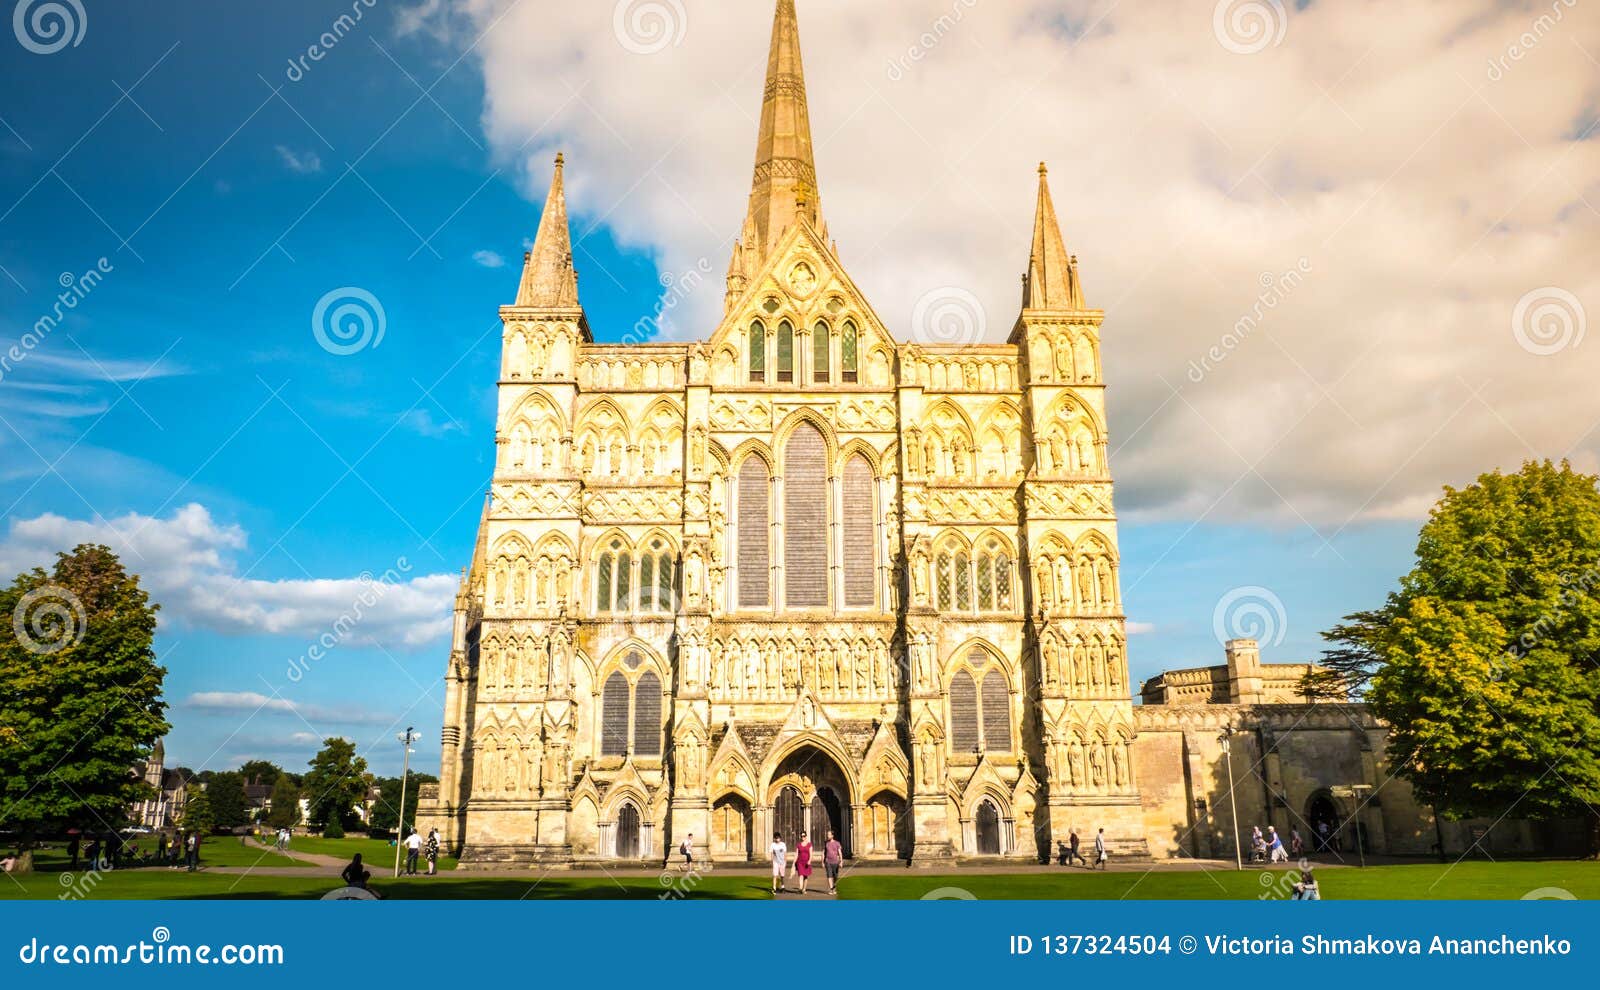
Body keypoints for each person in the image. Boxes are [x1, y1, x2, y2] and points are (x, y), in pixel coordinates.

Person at [823, 830, 843, 895]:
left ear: (832, 835)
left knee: (835, 876)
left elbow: (840, 853)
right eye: (827, 834)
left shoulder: (837, 843)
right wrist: (822, 861)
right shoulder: (826, 843)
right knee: (829, 875)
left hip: (835, 862)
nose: (827, 836)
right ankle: (831, 889)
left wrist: (841, 861)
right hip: (828, 861)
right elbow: (823, 852)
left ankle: (834, 888)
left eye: (829, 834)